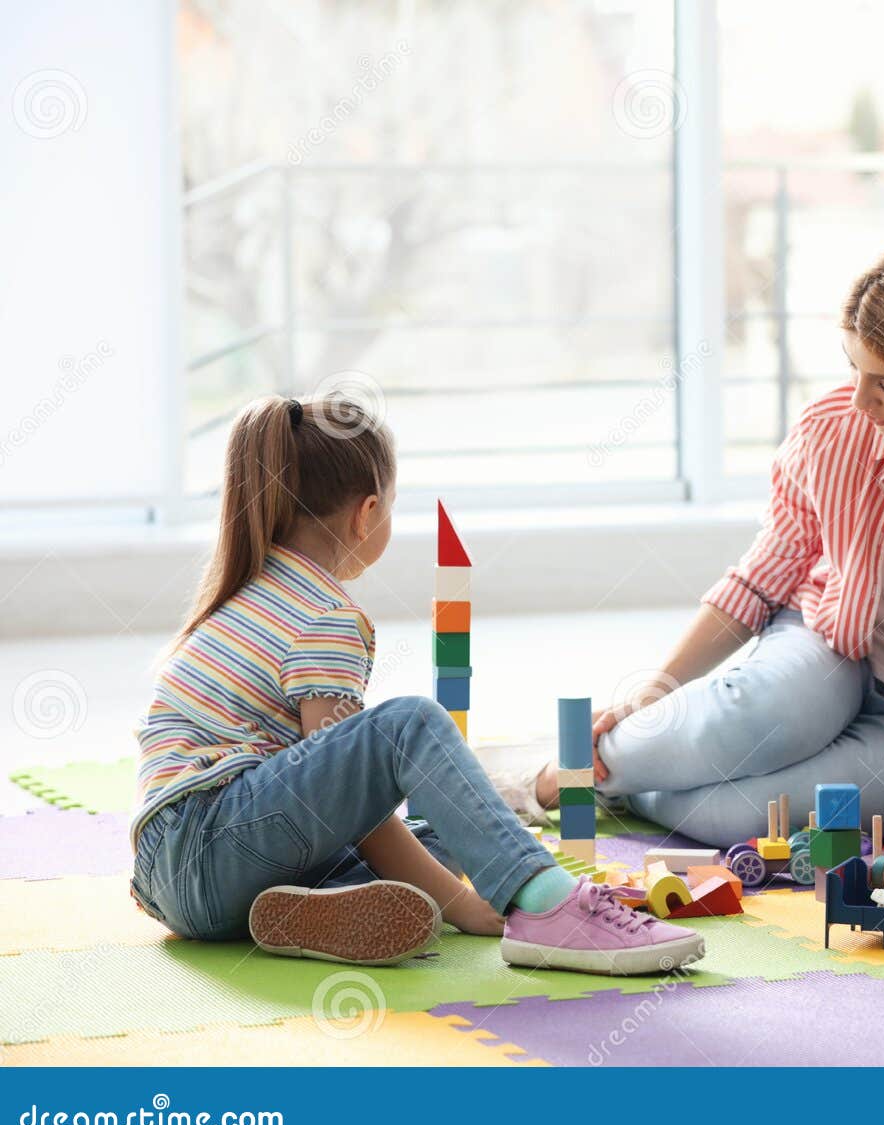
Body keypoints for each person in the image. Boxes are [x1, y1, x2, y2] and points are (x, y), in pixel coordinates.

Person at [535, 233, 884, 848]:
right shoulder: (834, 429)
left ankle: (613, 782)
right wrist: (660, 688)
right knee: (738, 724)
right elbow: (763, 575)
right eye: (855, 370)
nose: (862, 401)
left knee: (744, 817)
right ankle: (556, 778)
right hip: (837, 648)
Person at [131, 394, 704, 973]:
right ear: (368, 511)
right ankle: (548, 905)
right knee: (410, 724)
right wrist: (465, 906)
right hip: (212, 845)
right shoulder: (323, 615)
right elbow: (362, 810)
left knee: (440, 835)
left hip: (179, 881)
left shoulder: (244, 595)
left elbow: (335, 800)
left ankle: (303, 912)